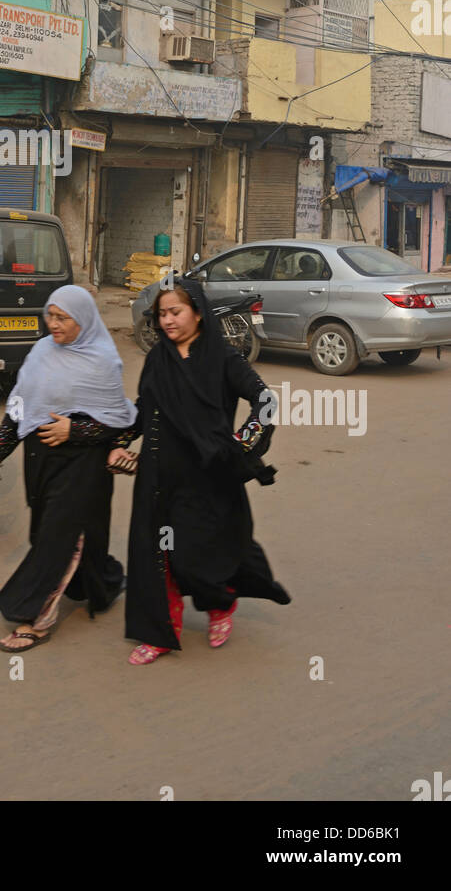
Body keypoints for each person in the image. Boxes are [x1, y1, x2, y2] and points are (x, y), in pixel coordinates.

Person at [113, 277, 290, 665]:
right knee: (155, 557)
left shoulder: (224, 358)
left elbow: (266, 402)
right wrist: (120, 443)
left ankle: (220, 605)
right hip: (158, 478)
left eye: (175, 312)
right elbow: (146, 410)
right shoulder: (158, 358)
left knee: (196, 556)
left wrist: (240, 446)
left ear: (197, 312)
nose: (167, 321)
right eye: (161, 314)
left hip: (206, 478)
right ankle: (159, 633)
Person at [0, 285, 137, 653]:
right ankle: (106, 580)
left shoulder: (103, 360)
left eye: (62, 317)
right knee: (52, 533)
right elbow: (20, 406)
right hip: (42, 462)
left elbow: (119, 423)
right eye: (50, 315)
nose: (53, 323)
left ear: (82, 319)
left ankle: (35, 617)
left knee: (58, 539)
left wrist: (75, 429)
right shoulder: (41, 352)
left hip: (83, 467)